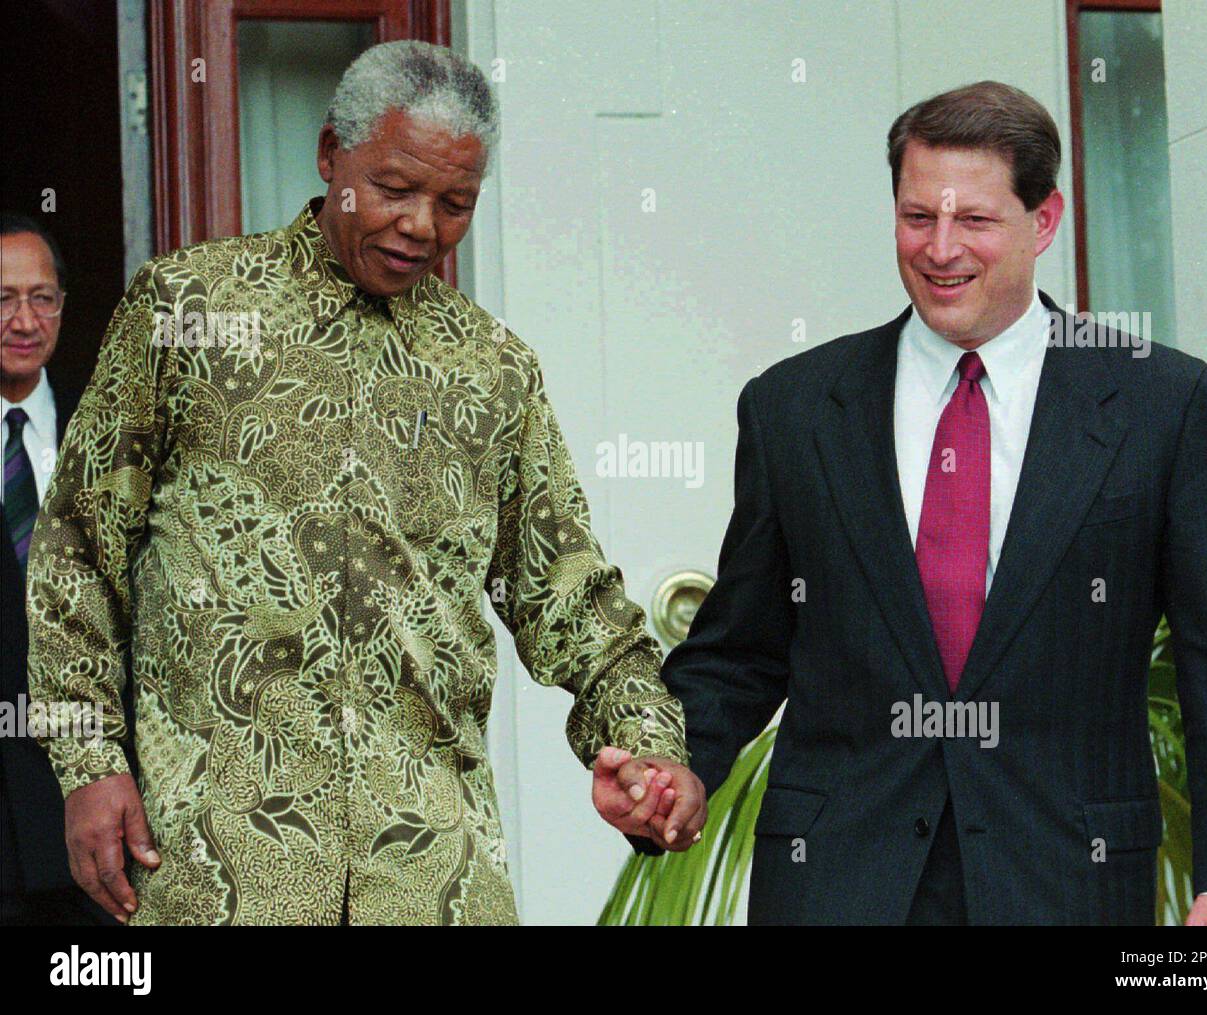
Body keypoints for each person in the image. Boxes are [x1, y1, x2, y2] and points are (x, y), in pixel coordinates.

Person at [26, 41, 705, 926]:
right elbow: (78, 547)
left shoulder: (492, 369)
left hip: (432, 876)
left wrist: (653, 753)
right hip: (212, 867)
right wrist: (89, 760)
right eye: (394, 189)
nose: (423, 225)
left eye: (456, 203)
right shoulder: (184, 311)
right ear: (328, 157)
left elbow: (571, 599)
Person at [652, 81, 1207, 925]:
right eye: (918, 217)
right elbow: (742, 647)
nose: (941, 249)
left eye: (975, 221)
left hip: (1069, 886)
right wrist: (675, 765)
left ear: (1045, 219)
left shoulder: (1162, 403)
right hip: (836, 886)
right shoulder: (795, 407)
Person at [1, 213, 114, 925]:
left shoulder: (105, 431)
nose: (23, 318)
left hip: (99, 823)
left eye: (42, 297)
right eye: (2, 297)